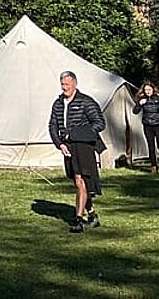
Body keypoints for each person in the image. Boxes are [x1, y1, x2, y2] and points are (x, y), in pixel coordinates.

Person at [48, 70, 106, 233]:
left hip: (83, 146)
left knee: (81, 180)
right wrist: (60, 144)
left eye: (67, 84)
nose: (64, 87)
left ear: (74, 84)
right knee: (77, 181)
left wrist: (79, 134)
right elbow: (52, 125)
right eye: (62, 84)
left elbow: (99, 123)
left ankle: (78, 219)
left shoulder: (86, 102)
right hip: (68, 147)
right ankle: (93, 215)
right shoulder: (58, 103)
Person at [133, 82, 159, 174]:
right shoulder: (142, 100)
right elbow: (135, 111)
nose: (148, 91)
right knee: (151, 147)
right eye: (146, 90)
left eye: (149, 89)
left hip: (158, 124)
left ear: (153, 90)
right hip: (147, 126)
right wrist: (139, 104)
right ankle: (154, 166)